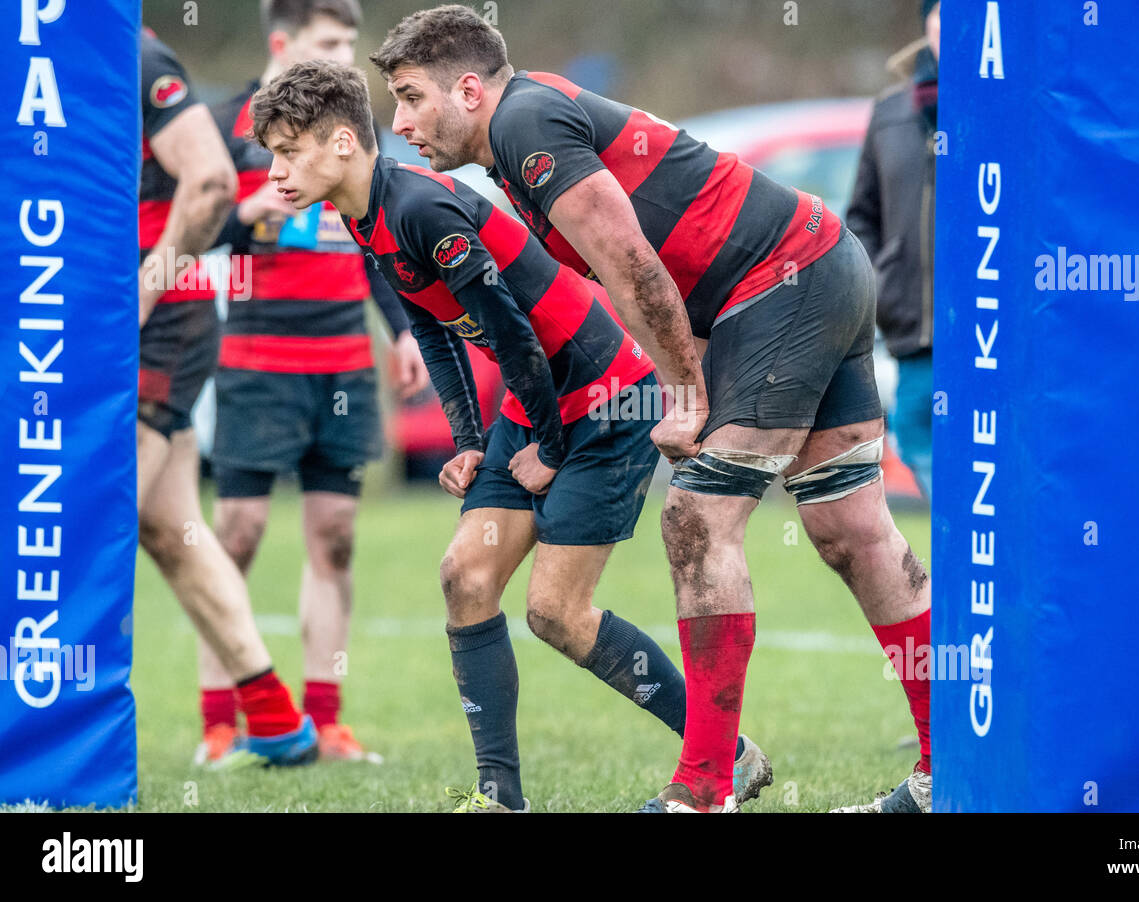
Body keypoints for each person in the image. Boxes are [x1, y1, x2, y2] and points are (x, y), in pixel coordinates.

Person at [370, 4, 932, 813]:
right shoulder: (520, 133)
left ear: (467, 89)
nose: (402, 122)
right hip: (817, 265)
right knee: (853, 532)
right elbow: (646, 266)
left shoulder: (525, 122)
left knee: (697, 518)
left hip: (784, 285)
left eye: (411, 96)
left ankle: (706, 787)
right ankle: (949, 765)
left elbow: (631, 265)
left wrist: (685, 393)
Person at [247, 59, 773, 810]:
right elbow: (435, 332)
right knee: (465, 578)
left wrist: (551, 454)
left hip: (603, 403)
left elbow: (516, 339)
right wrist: (468, 439)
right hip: (540, 407)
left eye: (288, 150)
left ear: (339, 143)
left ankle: (727, 758)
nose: (276, 171)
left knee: (555, 613)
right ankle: (499, 797)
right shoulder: (361, 214)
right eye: (271, 153)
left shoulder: (423, 209)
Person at [191, 0, 428, 768]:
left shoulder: (348, 126)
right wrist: (242, 209)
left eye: (350, 43)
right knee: (237, 536)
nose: (343, 56)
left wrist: (399, 331)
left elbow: (374, 237)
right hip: (256, 362)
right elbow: (183, 225)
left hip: (341, 361)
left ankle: (327, 721)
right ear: (283, 40)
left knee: (335, 536)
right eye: (329, 42)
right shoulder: (222, 128)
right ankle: (221, 724)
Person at [137, 28, 317, 768]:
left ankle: (49, 724)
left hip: (157, 328)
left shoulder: (137, 56)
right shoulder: (46, 61)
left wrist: (140, 293)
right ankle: (278, 723)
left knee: (80, 517)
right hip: (115, 328)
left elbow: (210, 182)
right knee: (169, 530)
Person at [846, 0, 939, 503]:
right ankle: (962, 557)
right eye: (942, 12)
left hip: (990, 336)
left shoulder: (1007, 109)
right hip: (912, 333)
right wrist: (880, 282)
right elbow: (860, 215)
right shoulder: (890, 110)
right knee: (916, 436)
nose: (950, 25)